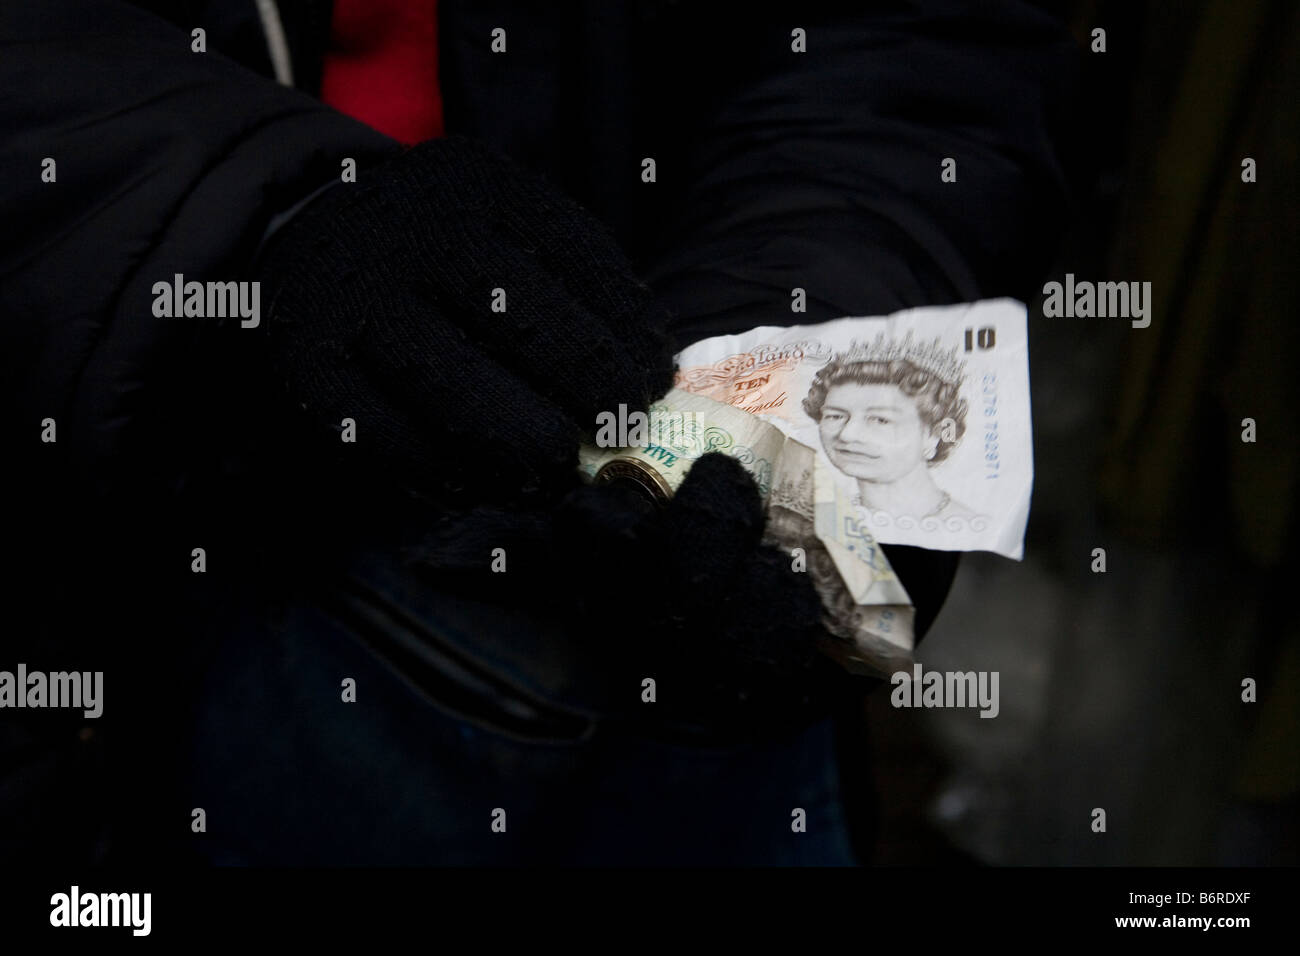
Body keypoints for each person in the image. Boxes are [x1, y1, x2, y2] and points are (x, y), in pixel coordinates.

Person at [0, 0, 1084, 865]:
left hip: (631, 623)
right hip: (105, 602)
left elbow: (908, 46)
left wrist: (798, 344)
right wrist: (250, 224)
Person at [804, 351, 976, 522]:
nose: (847, 435)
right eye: (835, 416)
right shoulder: (825, 520)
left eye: (880, 420)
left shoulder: (967, 525)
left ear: (934, 434)